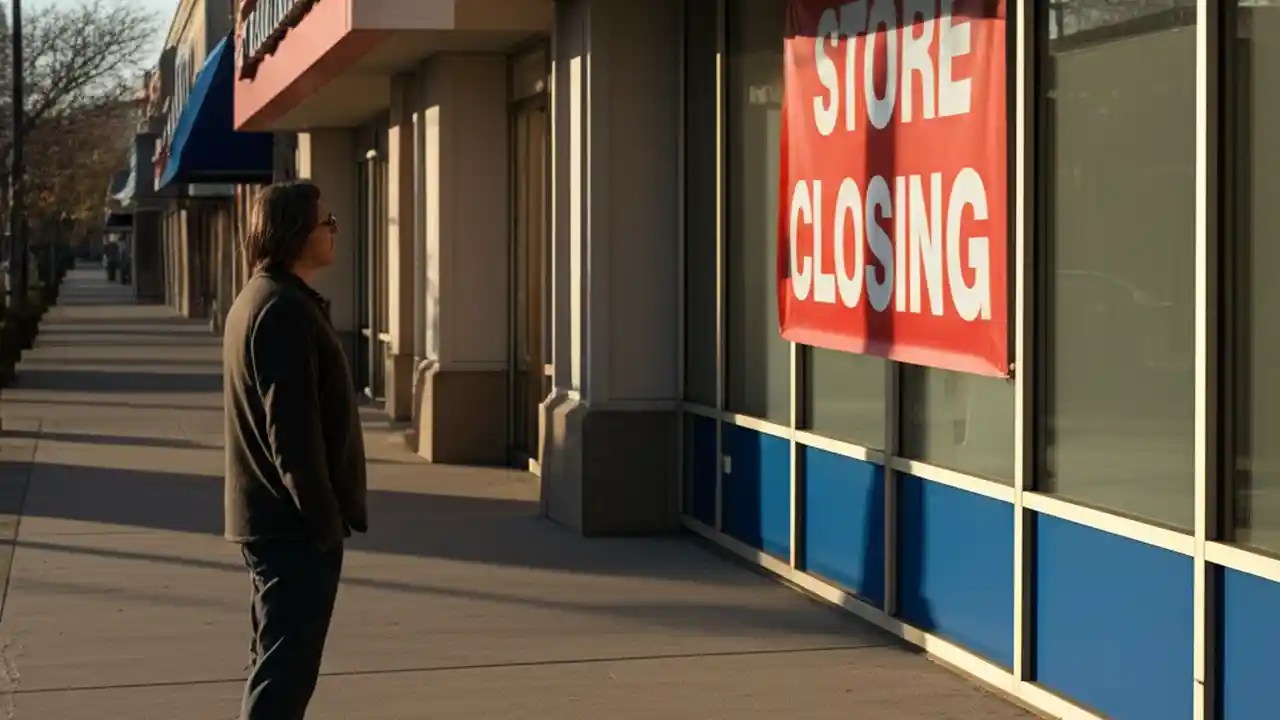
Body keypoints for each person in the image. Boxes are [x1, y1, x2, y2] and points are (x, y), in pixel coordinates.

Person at [223, 181, 368, 720]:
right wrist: (324, 525)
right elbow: (293, 435)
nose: (334, 232)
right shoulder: (281, 309)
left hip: (276, 522)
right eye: (325, 223)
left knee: (276, 664)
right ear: (294, 232)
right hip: (291, 527)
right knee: (285, 674)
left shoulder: (268, 298)